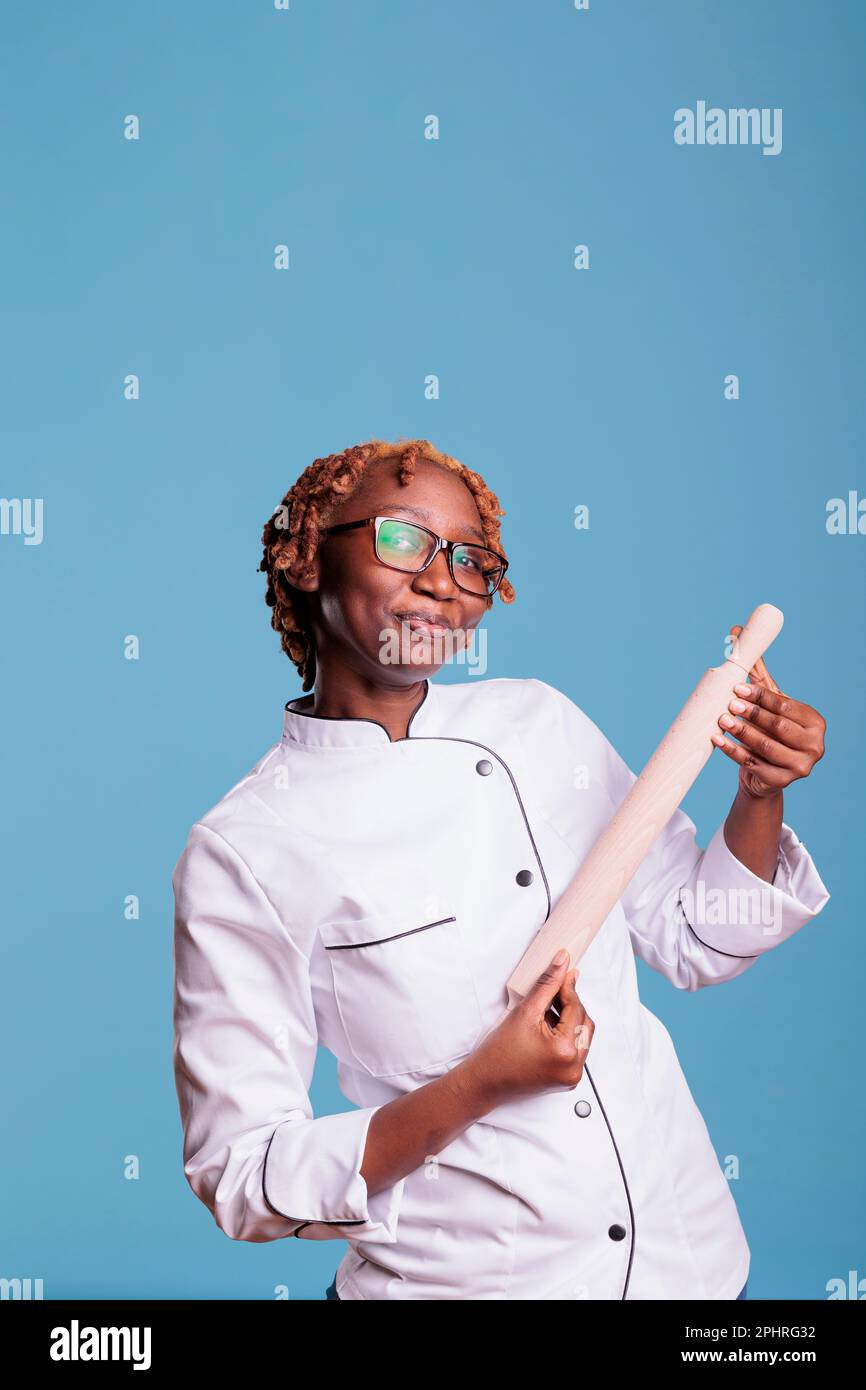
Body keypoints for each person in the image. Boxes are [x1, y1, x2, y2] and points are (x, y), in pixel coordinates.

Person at [171, 437, 830, 1301]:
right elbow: (243, 1172)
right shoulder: (247, 847)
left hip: (691, 1269)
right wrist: (478, 1086)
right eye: (405, 540)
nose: (443, 581)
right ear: (303, 557)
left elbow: (699, 936)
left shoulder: (541, 725)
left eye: (472, 561)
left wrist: (758, 792)